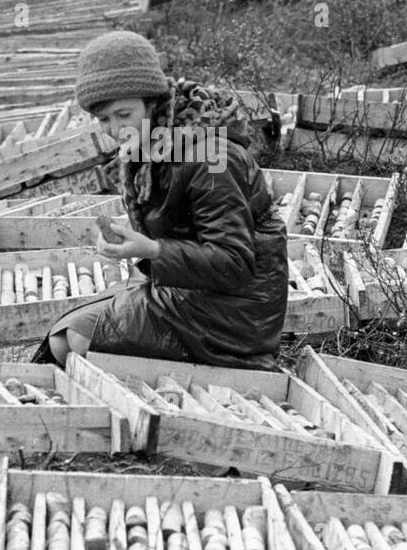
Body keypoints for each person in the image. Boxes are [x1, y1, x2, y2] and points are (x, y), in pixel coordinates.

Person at [34, 30, 289, 370]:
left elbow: (234, 263)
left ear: (152, 102)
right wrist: (133, 241)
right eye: (104, 119)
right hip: (187, 288)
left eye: (123, 114)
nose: (113, 129)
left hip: (236, 312)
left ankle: (153, 410)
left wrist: (151, 250)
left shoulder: (212, 158)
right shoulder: (154, 145)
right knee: (61, 338)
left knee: (81, 342)